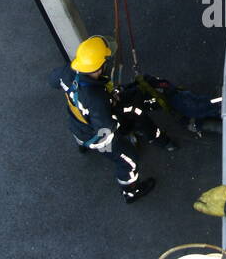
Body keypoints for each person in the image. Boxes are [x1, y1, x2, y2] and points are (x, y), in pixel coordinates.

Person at [48, 35, 176, 203]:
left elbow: (52, 81)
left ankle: (83, 146)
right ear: (99, 67)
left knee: (84, 134)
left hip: (76, 124)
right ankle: (131, 192)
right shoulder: (96, 98)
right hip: (98, 136)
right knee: (129, 160)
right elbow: (106, 128)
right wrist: (124, 121)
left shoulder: (68, 71)